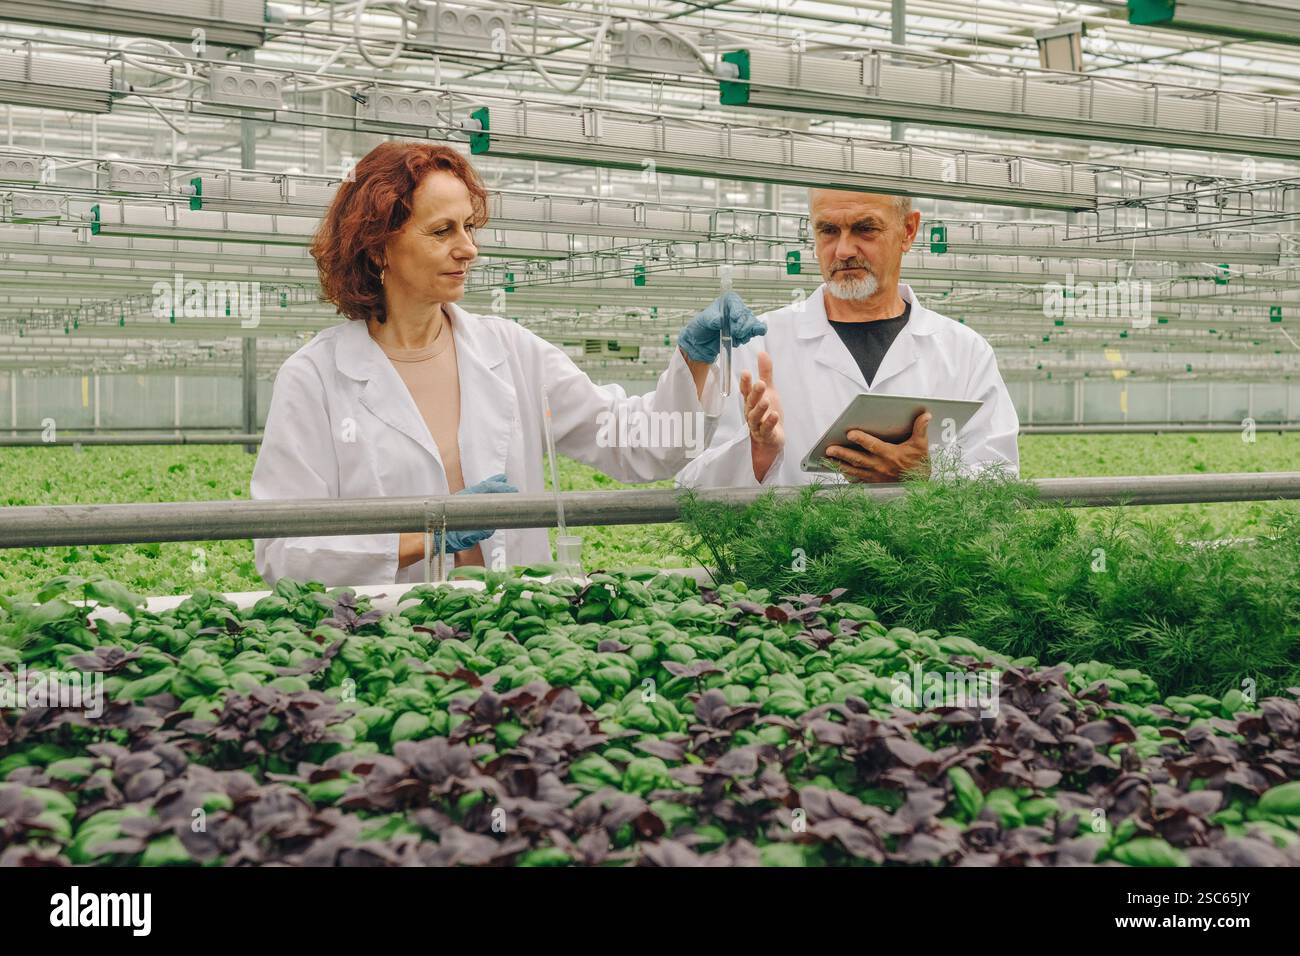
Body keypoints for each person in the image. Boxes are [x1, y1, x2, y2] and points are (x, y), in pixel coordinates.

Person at [251, 141, 763, 586]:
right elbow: (284, 554)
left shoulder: (511, 351)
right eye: (442, 231)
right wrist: (430, 532)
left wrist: (694, 360)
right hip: (386, 638)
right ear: (379, 247)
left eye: (469, 228)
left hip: (512, 629)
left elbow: (637, 444)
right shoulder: (316, 378)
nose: (468, 249)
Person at [677, 188, 1019, 488]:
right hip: (794, 559)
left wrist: (926, 474)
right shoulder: (756, 346)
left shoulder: (965, 352)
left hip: (922, 561)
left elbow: (1001, 477)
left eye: (865, 228)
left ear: (909, 230)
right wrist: (758, 452)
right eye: (827, 230)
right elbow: (693, 484)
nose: (842, 250)